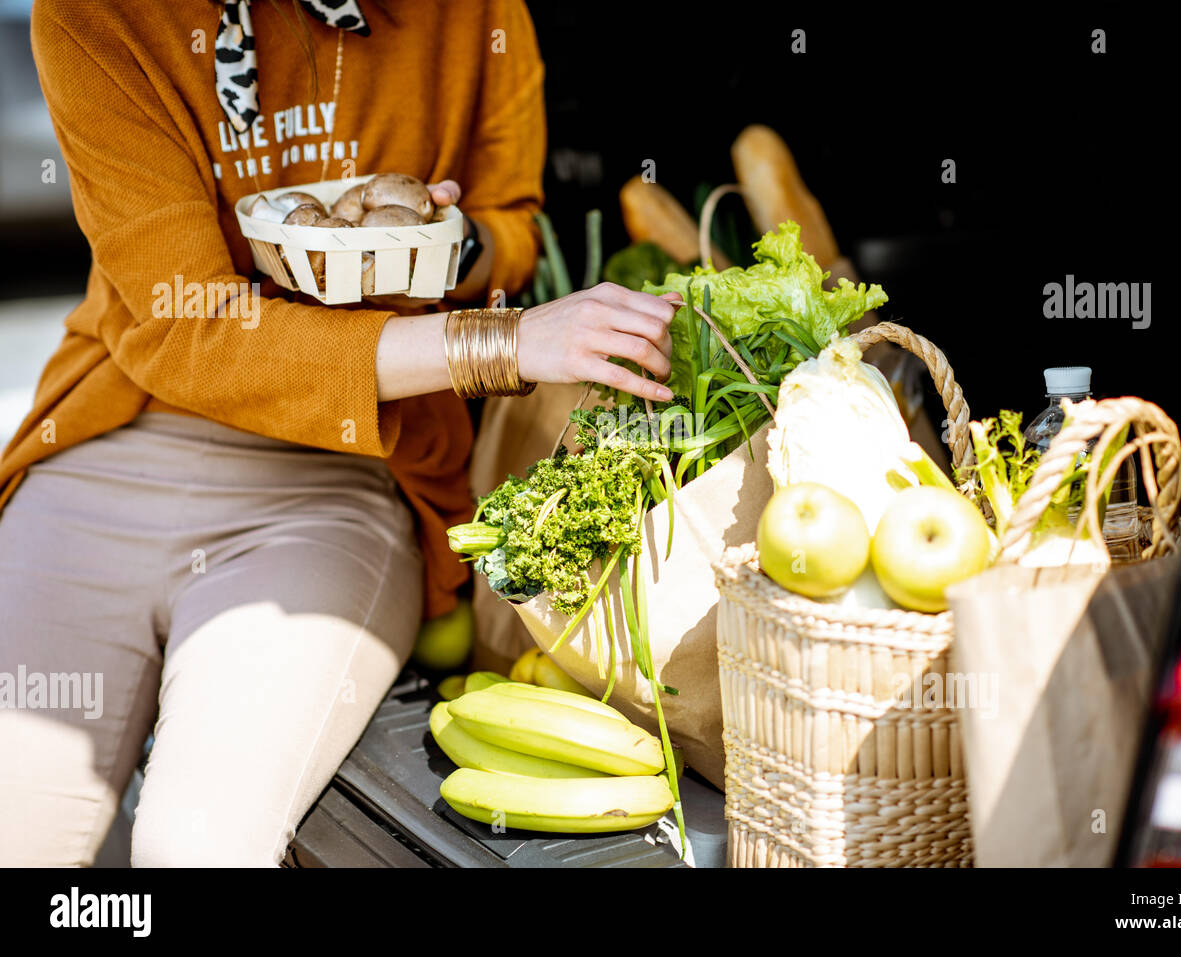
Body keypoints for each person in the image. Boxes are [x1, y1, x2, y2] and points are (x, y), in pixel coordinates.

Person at [0, 0, 677, 866]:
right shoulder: (97, 16)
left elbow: (513, 224)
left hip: (341, 475)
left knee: (197, 847)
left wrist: (453, 244)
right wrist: (497, 345)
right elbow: (191, 326)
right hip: (113, 454)